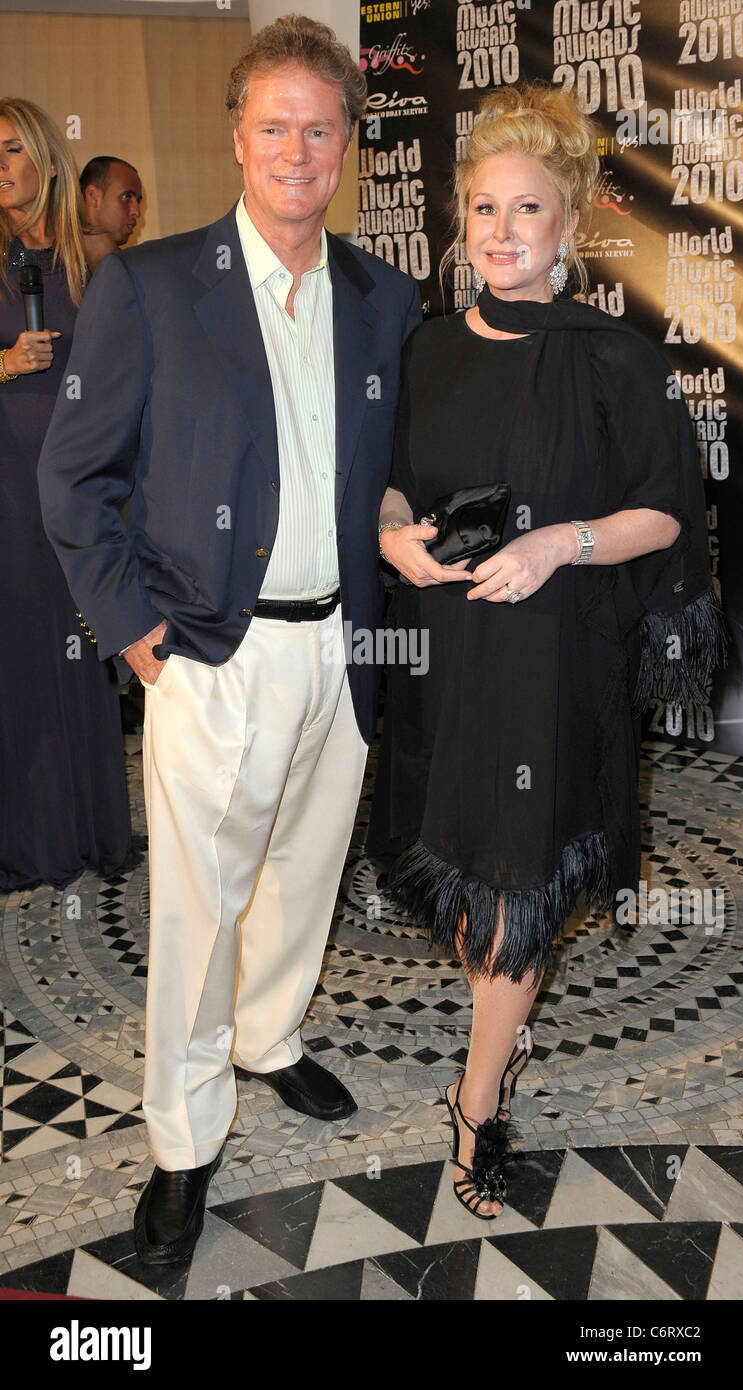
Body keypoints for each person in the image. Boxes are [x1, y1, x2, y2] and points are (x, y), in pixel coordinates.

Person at [38, 15, 421, 1265]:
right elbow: (73, 478)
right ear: (237, 138)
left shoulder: (383, 297)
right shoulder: (150, 287)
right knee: (199, 914)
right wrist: (137, 632)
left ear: (349, 143)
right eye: (274, 128)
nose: (298, 151)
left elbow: (380, 470)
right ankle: (183, 1142)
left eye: (321, 128)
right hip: (212, 650)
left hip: (341, 653)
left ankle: (270, 1039)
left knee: (305, 874)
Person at [369, 82, 725, 1220]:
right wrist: (391, 531)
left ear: (570, 226)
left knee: (517, 894)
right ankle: (500, 1043)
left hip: (552, 656)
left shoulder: (609, 359)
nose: (502, 233)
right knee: (470, 886)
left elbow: (664, 513)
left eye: (528, 211)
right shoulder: (427, 350)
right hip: (451, 656)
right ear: (461, 220)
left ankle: (477, 1098)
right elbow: (398, 482)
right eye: (483, 210)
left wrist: (560, 545)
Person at [0, 97, 136, 892]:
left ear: (48, 159)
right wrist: (7, 364)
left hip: (79, 487)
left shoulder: (95, 264)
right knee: (20, 656)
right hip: (7, 487)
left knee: (79, 650)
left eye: (13, 148)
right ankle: (27, 839)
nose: (2, 166)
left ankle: (86, 831)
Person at [79, 155, 143, 272]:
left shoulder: (139, 271)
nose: (136, 212)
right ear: (93, 197)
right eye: (127, 197)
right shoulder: (52, 266)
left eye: (138, 201)